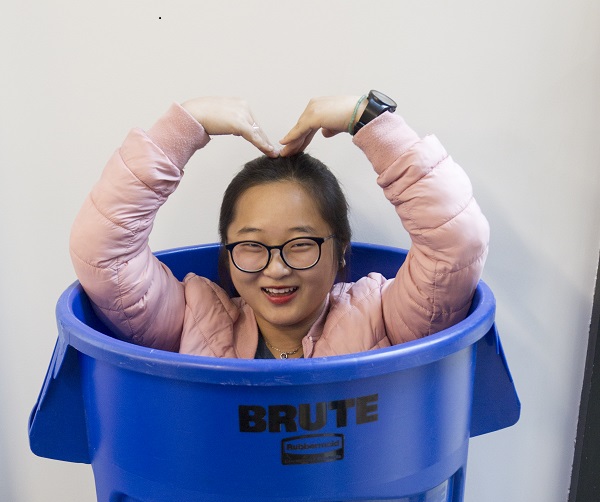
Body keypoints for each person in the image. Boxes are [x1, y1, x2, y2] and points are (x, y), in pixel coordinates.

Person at [70, 93, 489, 360]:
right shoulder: (190, 318)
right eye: (251, 245)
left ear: (340, 249)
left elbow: (456, 241)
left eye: (300, 243)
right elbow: (102, 251)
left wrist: (367, 120)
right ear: (227, 251)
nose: (276, 269)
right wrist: (185, 126)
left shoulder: (384, 317)